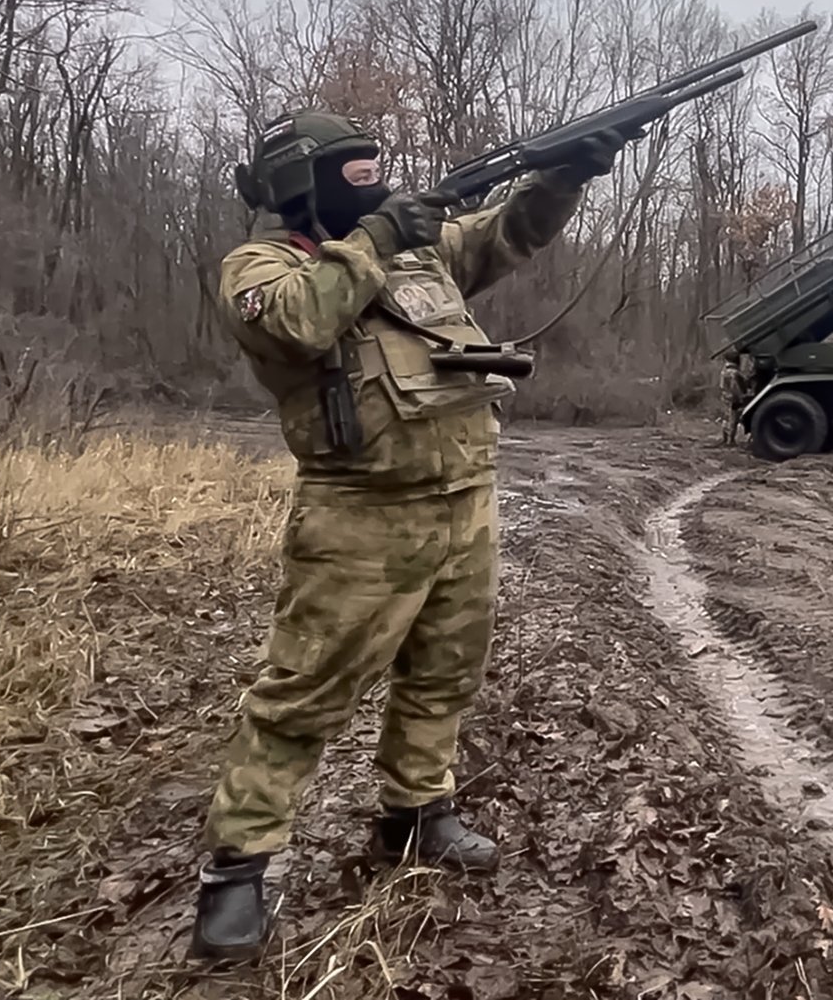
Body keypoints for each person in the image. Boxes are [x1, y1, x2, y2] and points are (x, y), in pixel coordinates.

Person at [189, 109, 630, 961]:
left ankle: (417, 811)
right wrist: (379, 237)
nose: (373, 176)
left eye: (374, 165)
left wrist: (566, 174)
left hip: (465, 501)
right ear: (301, 183)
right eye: (353, 167)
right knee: (301, 695)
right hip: (359, 513)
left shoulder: (423, 254)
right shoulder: (262, 268)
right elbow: (297, 325)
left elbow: (507, 233)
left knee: (444, 675)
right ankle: (238, 870)